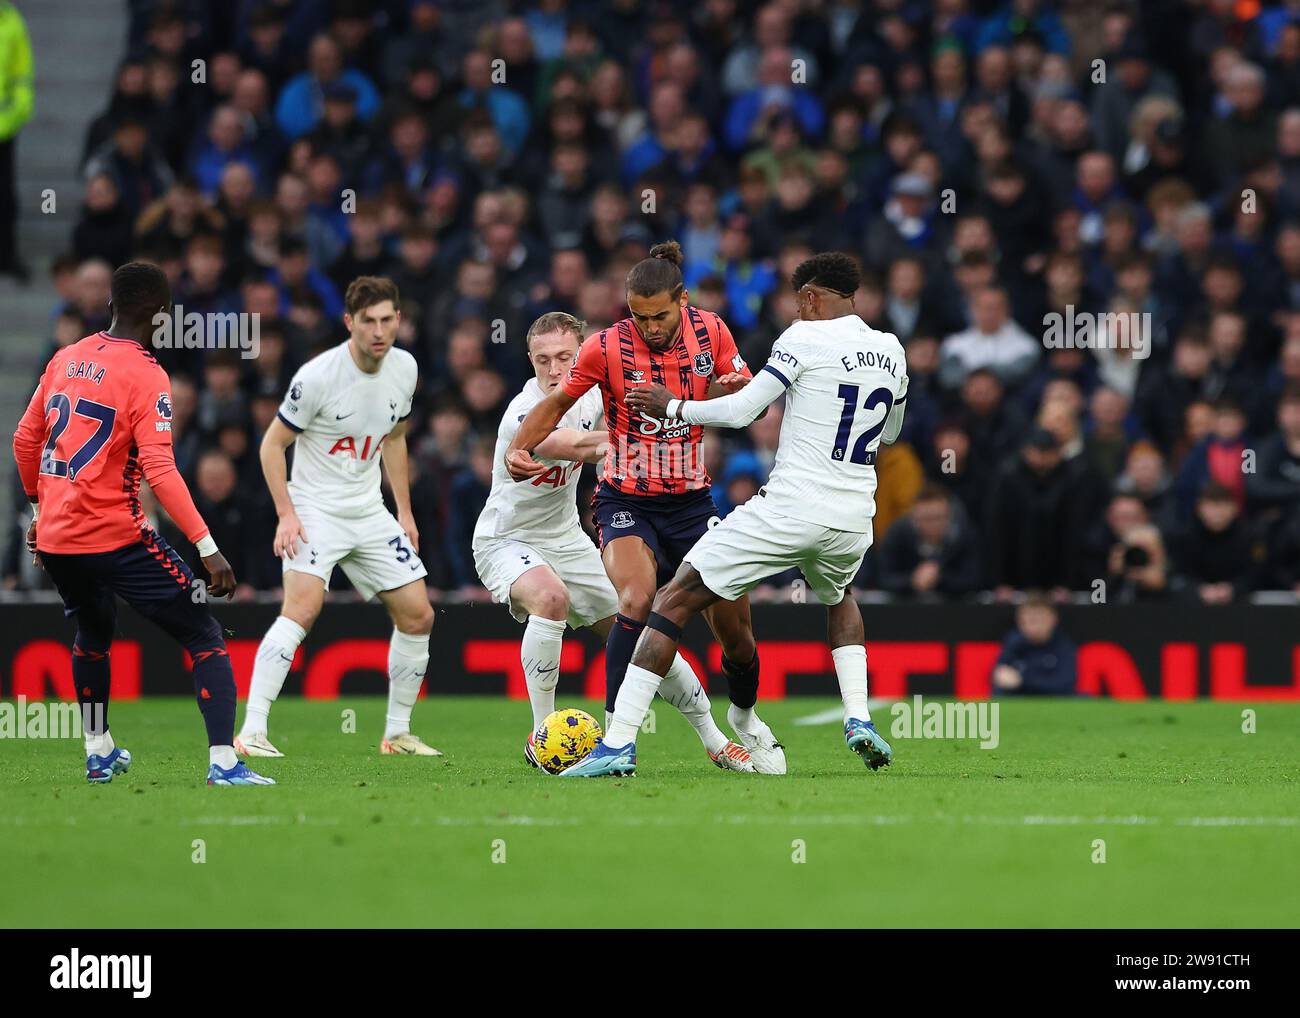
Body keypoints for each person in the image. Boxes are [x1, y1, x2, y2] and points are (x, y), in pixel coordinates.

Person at [562, 251, 907, 776]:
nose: (795, 311)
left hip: (791, 507)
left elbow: (746, 410)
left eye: (798, 302)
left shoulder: (800, 337)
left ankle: (618, 744)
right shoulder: (891, 349)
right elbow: (891, 433)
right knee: (840, 596)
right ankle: (857, 718)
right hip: (855, 512)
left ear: (810, 298)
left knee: (673, 599)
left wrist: (674, 406)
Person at [504, 240, 785, 773]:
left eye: (659, 315)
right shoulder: (605, 347)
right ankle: (616, 744)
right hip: (624, 499)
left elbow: (748, 401)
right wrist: (522, 445)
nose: (650, 327)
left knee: (737, 635)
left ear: (682, 299)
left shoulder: (714, 332)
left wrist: (735, 387)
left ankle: (746, 719)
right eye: (639, 315)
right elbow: (556, 404)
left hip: (691, 502)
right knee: (635, 599)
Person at [11, 261, 273, 785]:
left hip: (60, 539)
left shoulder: (65, 357)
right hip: (118, 535)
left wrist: (40, 511)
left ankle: (97, 748)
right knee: (204, 635)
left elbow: (24, 440)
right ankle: (224, 762)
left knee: (93, 630)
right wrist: (206, 545)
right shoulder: (147, 373)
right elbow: (159, 468)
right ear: (161, 314)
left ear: (109, 303)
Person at [235, 276, 439, 757]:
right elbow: (271, 446)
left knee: (419, 615)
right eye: (368, 321)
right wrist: (286, 514)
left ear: (398, 321)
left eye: (387, 319)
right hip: (315, 508)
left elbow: (394, 438)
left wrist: (404, 512)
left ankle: (396, 734)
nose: (379, 331)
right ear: (349, 323)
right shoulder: (317, 377)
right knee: (302, 609)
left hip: (368, 509)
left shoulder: (405, 368)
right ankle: (252, 731)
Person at [0, 0, 34, 281]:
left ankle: (7, 255)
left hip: (3, 127)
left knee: (5, 194)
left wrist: (9, 119)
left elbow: (22, 77)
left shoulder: (12, 21)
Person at [991, 594, 1078, 695]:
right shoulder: (1014, 643)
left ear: (1053, 619)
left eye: (1036, 620)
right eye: (1024, 621)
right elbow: (1000, 677)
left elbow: (1064, 685)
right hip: (1019, 702)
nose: (1030, 627)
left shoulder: (1063, 645)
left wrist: (1022, 681)